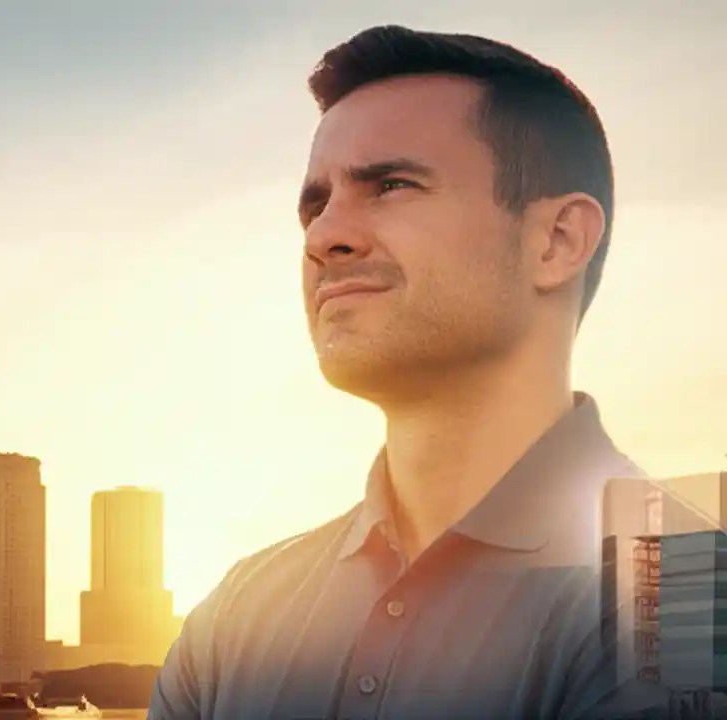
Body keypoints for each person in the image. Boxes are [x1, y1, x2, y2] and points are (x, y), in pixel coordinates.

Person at [147, 25, 680, 720]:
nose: (321, 237)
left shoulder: (681, 605)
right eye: (316, 205)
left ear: (556, 240)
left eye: (391, 185)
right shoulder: (235, 617)